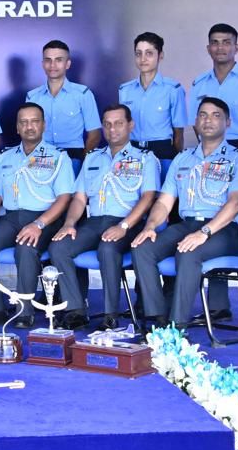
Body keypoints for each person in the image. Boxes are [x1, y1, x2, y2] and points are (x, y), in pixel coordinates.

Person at [130, 97, 238, 332]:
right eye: (203, 115)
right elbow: (164, 202)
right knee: (142, 248)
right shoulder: (183, 158)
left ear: (228, 122)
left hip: (223, 229)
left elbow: (237, 202)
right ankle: (158, 318)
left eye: (216, 115)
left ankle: (177, 327)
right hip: (187, 225)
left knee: (187, 253)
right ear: (196, 122)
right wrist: (150, 226)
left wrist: (204, 232)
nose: (208, 120)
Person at [48, 105, 159, 330]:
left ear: (130, 125)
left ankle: (110, 315)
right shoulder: (92, 158)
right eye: (107, 124)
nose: (112, 129)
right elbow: (79, 198)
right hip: (94, 222)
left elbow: (148, 198)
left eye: (118, 123)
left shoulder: (145, 158)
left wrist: (124, 226)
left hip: (129, 222)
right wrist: (69, 224)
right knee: (59, 247)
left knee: (107, 249)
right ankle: (75, 310)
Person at [189, 23, 238, 329]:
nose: (220, 47)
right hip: (210, 160)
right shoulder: (199, 84)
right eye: (215, 42)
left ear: (237, 47)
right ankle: (218, 307)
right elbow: (196, 127)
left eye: (226, 42)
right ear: (208, 48)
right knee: (214, 225)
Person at [0, 103, 74, 326]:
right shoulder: (5, 157)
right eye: (24, 122)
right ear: (17, 127)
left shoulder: (58, 157)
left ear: (43, 125)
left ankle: (24, 312)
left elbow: (64, 198)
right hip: (11, 218)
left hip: (45, 219)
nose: (29, 126)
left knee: (26, 247)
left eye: (35, 121)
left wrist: (38, 224)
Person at [26, 39, 101, 160]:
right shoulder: (32, 97)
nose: (52, 65)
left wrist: (83, 163)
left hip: (73, 156)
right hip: (40, 156)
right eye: (48, 60)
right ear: (43, 64)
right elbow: (27, 134)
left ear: (67, 64)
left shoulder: (83, 94)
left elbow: (95, 134)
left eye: (58, 60)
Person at [118, 32, 186, 161]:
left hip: (162, 152)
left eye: (149, 53)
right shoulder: (125, 90)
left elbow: (178, 134)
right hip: (133, 152)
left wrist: (176, 162)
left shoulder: (173, 89)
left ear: (160, 56)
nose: (143, 59)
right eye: (138, 54)